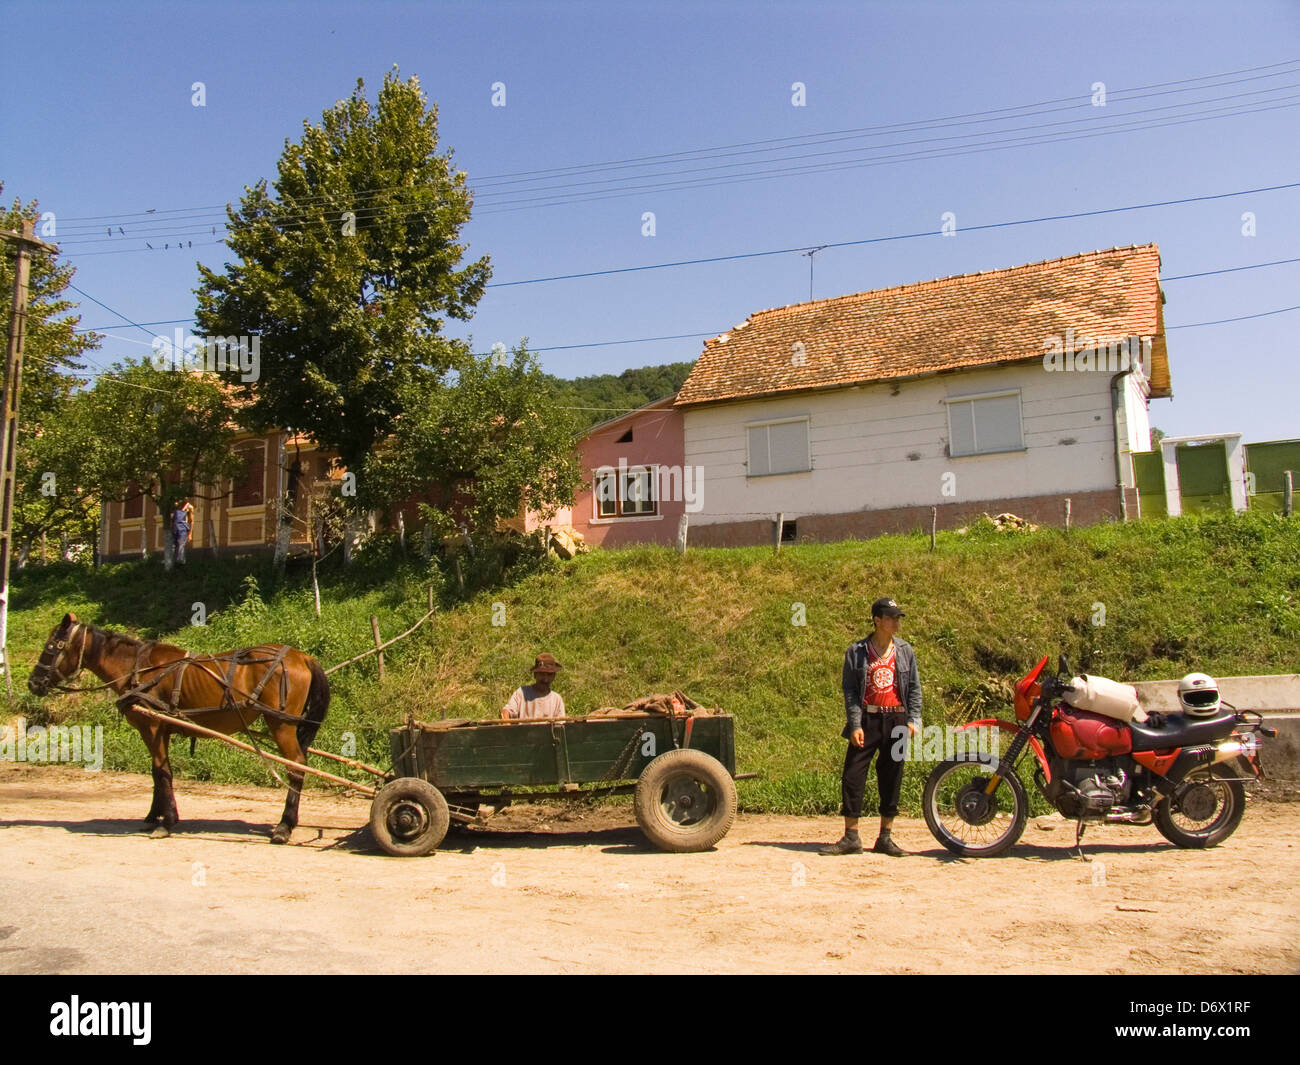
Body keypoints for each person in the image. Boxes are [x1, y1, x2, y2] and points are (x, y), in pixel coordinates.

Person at [821, 597, 921, 857]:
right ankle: (851, 836)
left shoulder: (905, 650)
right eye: (891, 617)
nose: (896, 622)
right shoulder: (857, 651)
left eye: (898, 617)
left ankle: (885, 837)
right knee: (853, 776)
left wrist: (913, 720)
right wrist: (855, 723)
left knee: (892, 777)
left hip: (897, 720)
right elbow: (851, 691)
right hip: (868, 719)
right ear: (877, 620)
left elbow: (914, 689)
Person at [500, 654, 567, 720]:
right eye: (542, 674)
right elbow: (506, 711)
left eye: (549, 674)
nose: (545, 679)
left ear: (554, 676)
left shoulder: (557, 700)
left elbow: (560, 726)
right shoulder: (522, 693)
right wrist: (506, 722)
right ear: (535, 675)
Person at [171, 496, 195, 566]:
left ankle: (181, 563)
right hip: (175, 529)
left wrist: (190, 534)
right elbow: (173, 519)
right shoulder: (177, 506)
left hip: (183, 530)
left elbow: (191, 521)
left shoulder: (189, 507)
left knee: (181, 546)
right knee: (173, 546)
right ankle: (171, 562)